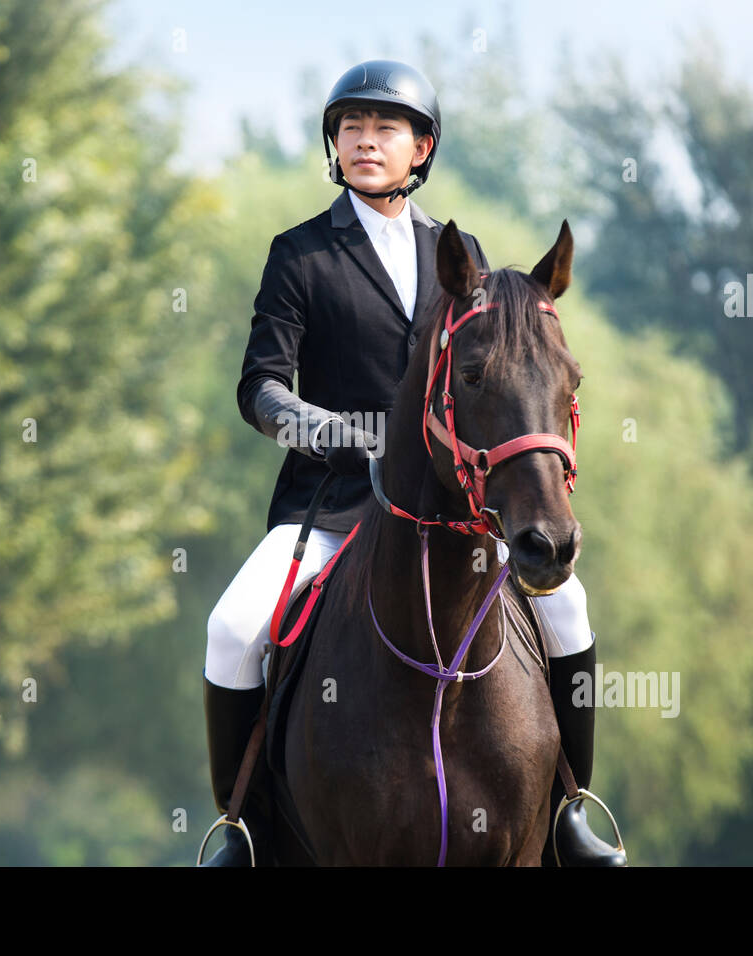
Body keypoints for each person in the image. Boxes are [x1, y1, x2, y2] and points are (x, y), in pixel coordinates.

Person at [200, 59, 624, 866]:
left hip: (458, 508)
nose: (365, 141)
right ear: (334, 145)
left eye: (385, 128)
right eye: (350, 128)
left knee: (568, 614)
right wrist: (325, 431)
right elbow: (261, 384)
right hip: (329, 507)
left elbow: (499, 378)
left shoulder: (460, 256)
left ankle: (570, 810)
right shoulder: (301, 255)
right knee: (230, 630)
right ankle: (243, 830)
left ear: (421, 147)